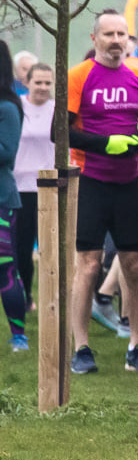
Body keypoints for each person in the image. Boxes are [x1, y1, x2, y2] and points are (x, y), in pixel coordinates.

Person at [67, 10, 138, 375]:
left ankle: (136, 346)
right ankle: (81, 348)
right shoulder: (79, 75)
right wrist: (105, 143)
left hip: (129, 182)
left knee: (135, 264)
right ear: (95, 38)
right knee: (89, 264)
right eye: (109, 34)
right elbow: (63, 132)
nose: (116, 40)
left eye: (122, 34)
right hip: (91, 180)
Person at [11, 62, 54, 350]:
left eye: (47, 83)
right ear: (27, 82)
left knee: (50, 249)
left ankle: (52, 302)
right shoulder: (17, 107)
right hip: (21, 188)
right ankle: (25, 297)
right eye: (38, 82)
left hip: (49, 186)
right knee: (22, 250)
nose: (43, 87)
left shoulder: (57, 110)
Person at [0, 41, 26, 349]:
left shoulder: (7, 107)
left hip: (2, 201)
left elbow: (7, 152)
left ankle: (19, 336)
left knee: (5, 268)